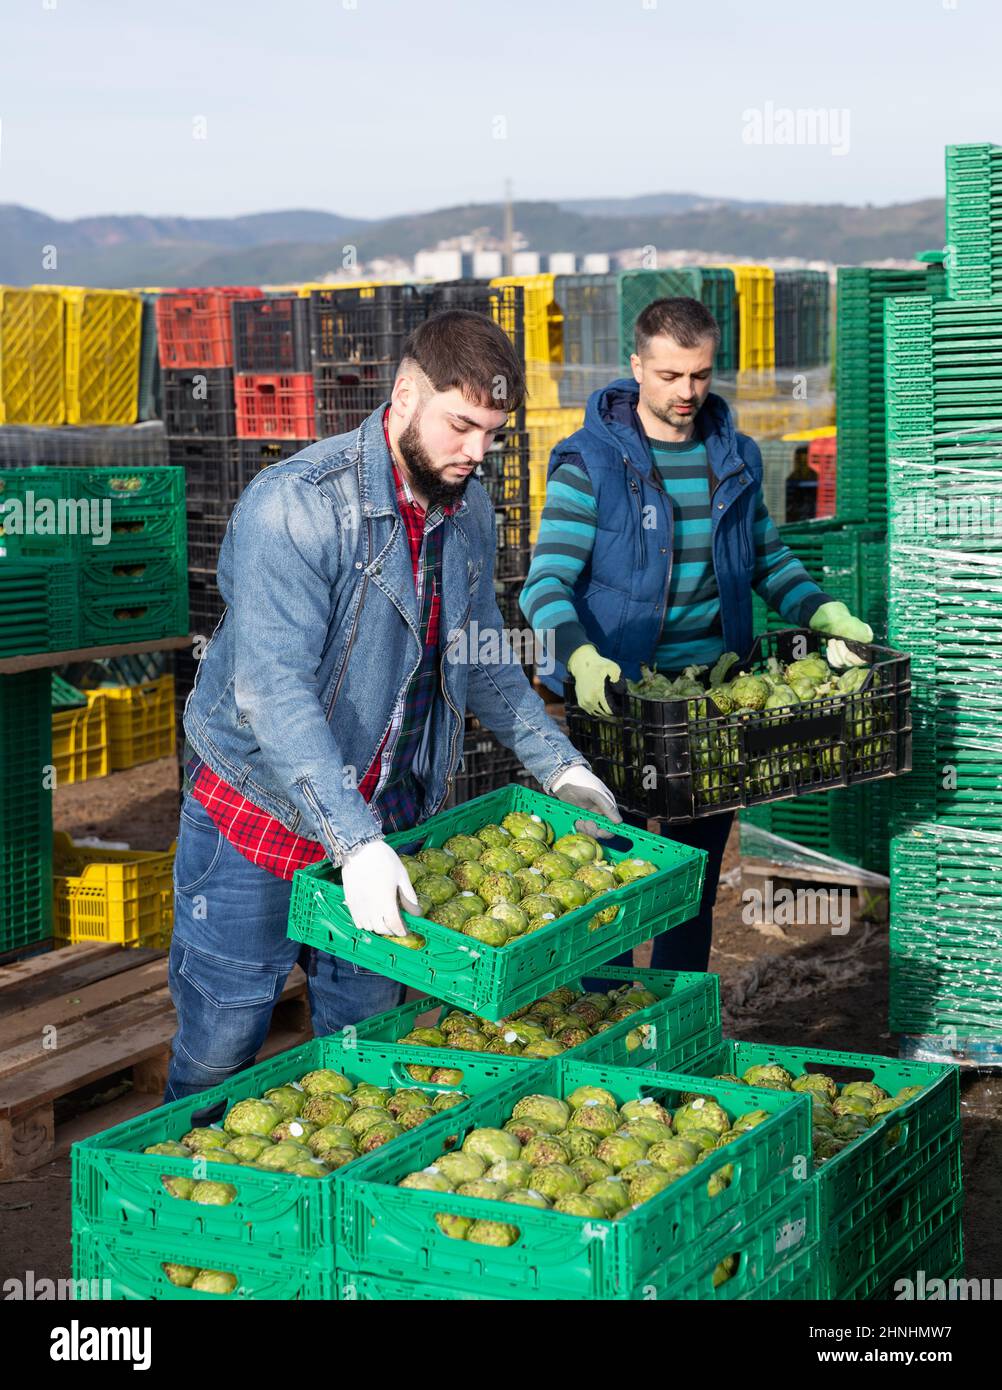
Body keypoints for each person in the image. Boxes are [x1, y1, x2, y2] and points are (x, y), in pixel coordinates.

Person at [166, 310, 619, 1101]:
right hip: (260, 815)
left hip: (385, 822)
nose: (477, 452)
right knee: (221, 1046)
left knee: (368, 1051)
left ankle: (344, 1209)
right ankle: (175, 1193)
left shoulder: (466, 509)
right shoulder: (296, 506)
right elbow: (274, 692)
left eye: (492, 433)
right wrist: (353, 842)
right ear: (406, 394)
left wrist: (563, 769)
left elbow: (480, 654)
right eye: (461, 425)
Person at [519, 296, 872, 978]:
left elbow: (765, 560)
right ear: (637, 367)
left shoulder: (732, 455)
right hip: (614, 706)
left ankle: (673, 1031)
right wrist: (581, 658)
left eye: (701, 375)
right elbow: (545, 585)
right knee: (608, 884)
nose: (687, 392)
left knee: (691, 887)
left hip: (711, 709)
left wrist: (824, 612)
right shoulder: (590, 462)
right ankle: (608, 1029)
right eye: (670, 376)